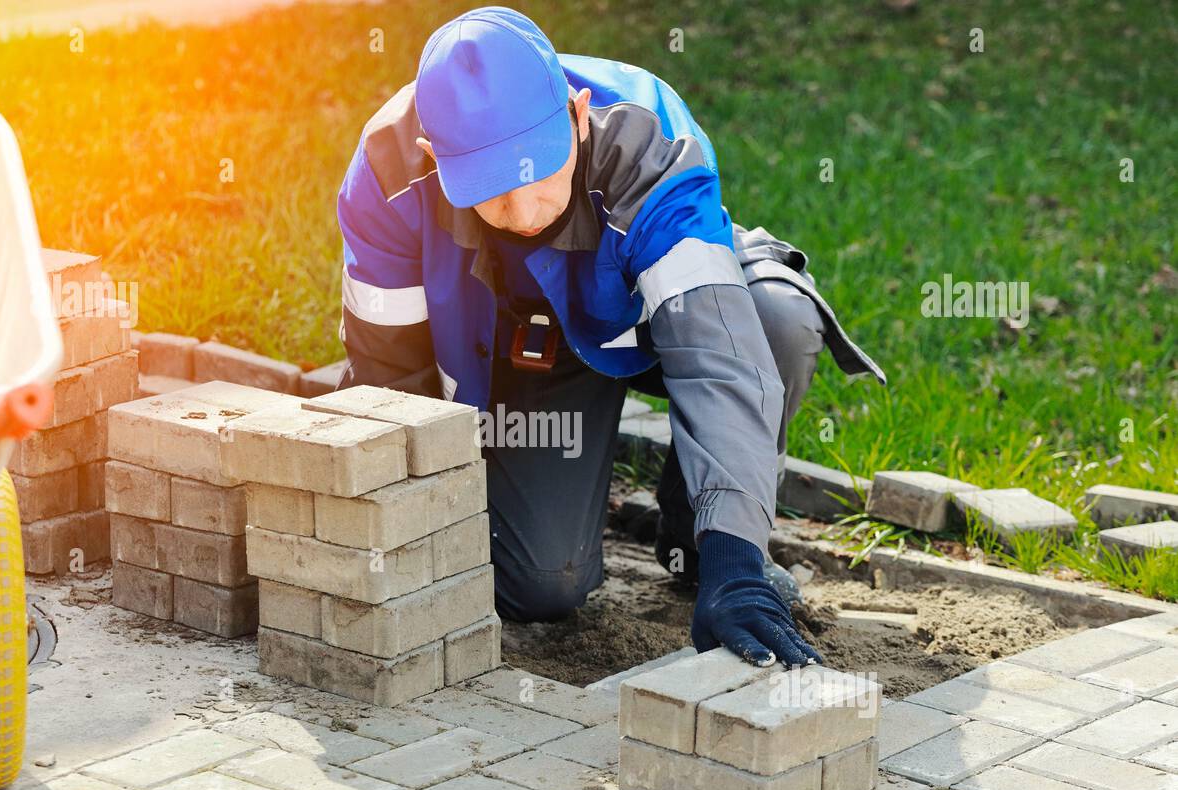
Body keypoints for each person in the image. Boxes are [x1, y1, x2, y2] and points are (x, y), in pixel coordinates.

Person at [334, 6, 884, 667]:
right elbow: (389, 378)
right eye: (493, 193)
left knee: (777, 322)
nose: (525, 214)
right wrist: (400, 534)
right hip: (533, 356)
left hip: (657, 318)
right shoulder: (389, 170)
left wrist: (736, 562)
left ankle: (702, 541)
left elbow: (718, 354)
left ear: (577, 113)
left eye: (538, 175)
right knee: (543, 583)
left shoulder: (652, 141)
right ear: (435, 158)